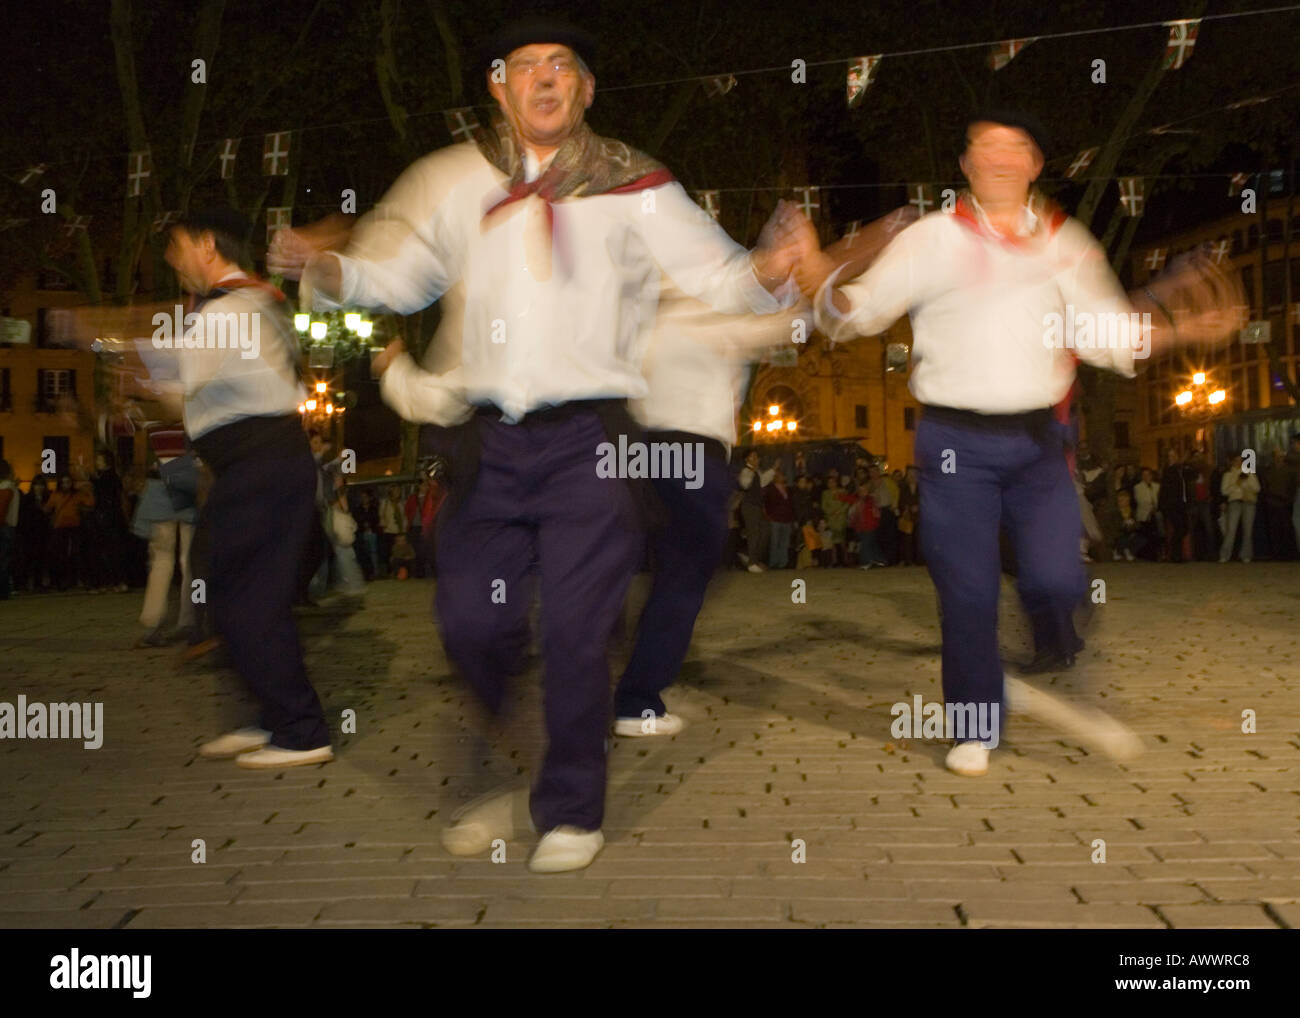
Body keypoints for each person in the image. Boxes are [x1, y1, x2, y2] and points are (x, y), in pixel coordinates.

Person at [272, 18, 802, 872]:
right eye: (527, 66)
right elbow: (393, 271)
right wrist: (330, 274)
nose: (546, 80)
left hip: (592, 438)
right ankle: (524, 748)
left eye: (564, 66)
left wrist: (772, 266)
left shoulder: (638, 185)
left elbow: (720, 274)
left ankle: (568, 809)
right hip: (482, 443)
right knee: (472, 626)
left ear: (587, 89)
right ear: (498, 83)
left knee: (579, 630)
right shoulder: (448, 179)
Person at [790, 108, 1241, 776]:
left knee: (1057, 580)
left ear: (1035, 164)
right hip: (952, 443)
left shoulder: (1067, 244)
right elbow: (857, 312)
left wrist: (1181, 329)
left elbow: (1106, 335)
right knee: (967, 591)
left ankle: (1055, 632)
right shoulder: (932, 239)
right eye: (984, 147)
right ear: (966, 165)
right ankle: (975, 723)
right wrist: (817, 283)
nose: (999, 158)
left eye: (1016, 148)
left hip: (1036, 442)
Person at [149, 206, 332, 769]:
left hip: (260, 465)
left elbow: (175, 392)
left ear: (207, 244)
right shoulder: (244, 303)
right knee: (231, 594)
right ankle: (275, 716)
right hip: (253, 467)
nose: (173, 264)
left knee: (248, 598)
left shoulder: (231, 308)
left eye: (176, 248)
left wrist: (122, 364)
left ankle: (303, 730)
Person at [1219, 452, 1260, 563]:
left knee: (1248, 530)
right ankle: (1225, 554)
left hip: (1248, 502)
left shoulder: (1249, 473)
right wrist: (1236, 483)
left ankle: (1246, 554)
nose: (1239, 462)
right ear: (1232, 462)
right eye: (1236, 460)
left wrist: (1247, 482)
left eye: (1240, 460)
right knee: (1231, 530)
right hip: (1235, 502)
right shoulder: (1227, 475)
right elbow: (1224, 491)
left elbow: (1257, 488)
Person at [737, 450, 773, 572]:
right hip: (749, 506)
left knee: (765, 530)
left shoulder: (756, 471)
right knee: (754, 533)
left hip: (757, 506)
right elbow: (745, 484)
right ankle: (752, 562)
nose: (756, 459)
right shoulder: (745, 471)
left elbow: (763, 482)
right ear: (747, 459)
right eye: (753, 457)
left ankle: (749, 555)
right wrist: (753, 470)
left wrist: (773, 469)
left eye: (757, 457)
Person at [764, 466, 795, 569]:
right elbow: (766, 504)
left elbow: (791, 504)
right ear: (775, 477)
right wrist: (769, 516)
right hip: (775, 519)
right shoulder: (770, 489)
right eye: (780, 475)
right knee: (775, 542)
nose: (783, 477)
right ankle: (773, 562)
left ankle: (783, 563)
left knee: (784, 542)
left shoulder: (788, 489)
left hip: (786, 519)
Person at [1132, 466, 1160, 561]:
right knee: (1146, 534)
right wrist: (1151, 507)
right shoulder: (1137, 487)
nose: (1146, 477)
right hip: (1144, 514)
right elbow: (1141, 500)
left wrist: (1156, 507)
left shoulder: (1157, 486)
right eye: (1144, 475)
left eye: (1148, 475)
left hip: (1155, 514)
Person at [0, 460, 18, 599]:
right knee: (5, 559)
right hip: (8, 527)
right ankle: (4, 590)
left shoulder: (5, 489)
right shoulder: (10, 488)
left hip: (4, 526)